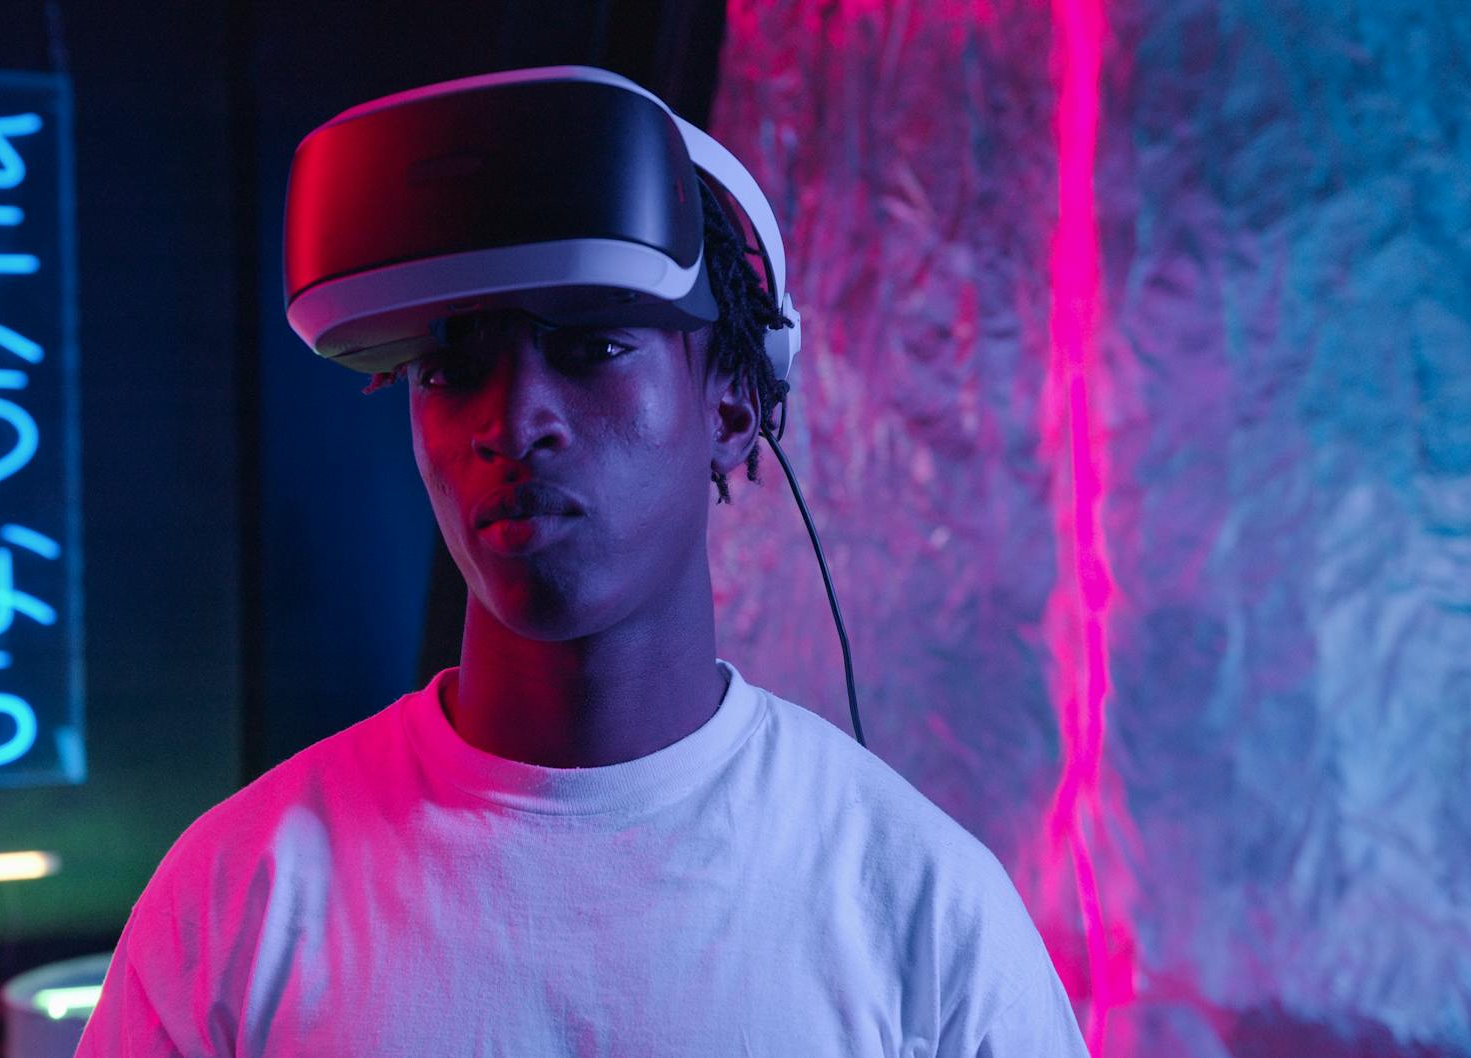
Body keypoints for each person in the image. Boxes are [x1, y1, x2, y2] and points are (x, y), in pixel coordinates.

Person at [77, 78, 1087, 1058]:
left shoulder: (920, 915)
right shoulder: (236, 897)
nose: (515, 422)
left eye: (592, 347)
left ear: (733, 408)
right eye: (451, 365)